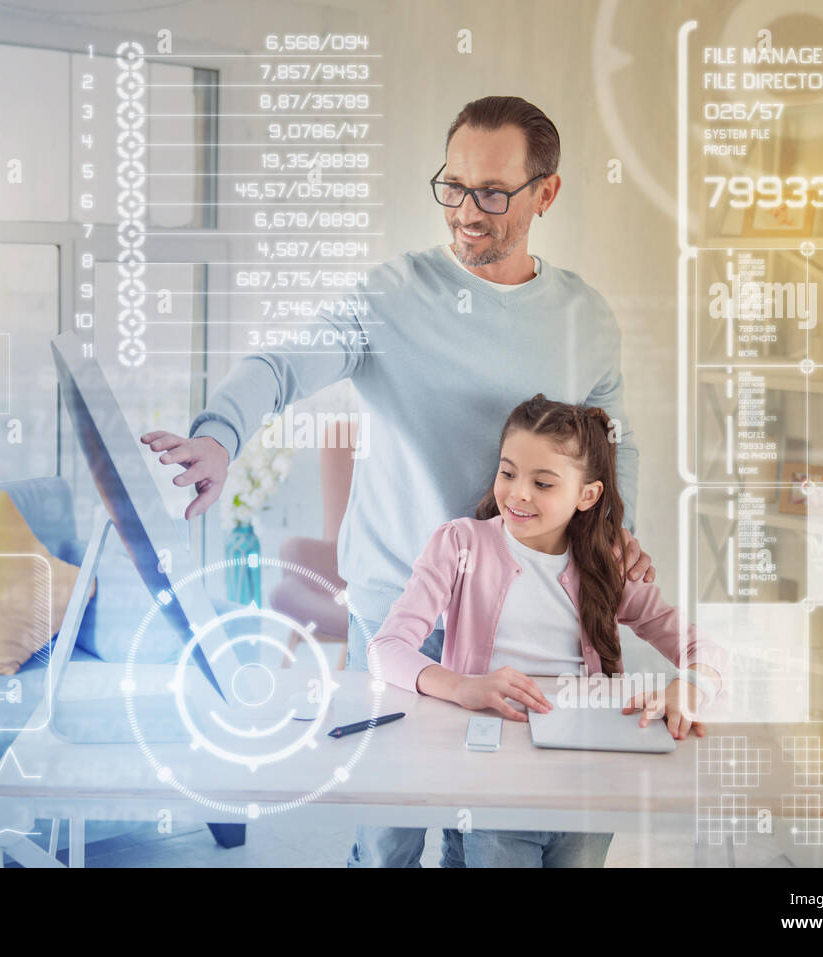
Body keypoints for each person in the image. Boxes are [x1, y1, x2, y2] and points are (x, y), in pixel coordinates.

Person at [142, 95, 654, 867]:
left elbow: (614, 437)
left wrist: (617, 529)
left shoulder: (584, 315)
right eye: (452, 186)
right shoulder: (391, 295)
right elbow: (282, 366)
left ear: (546, 193)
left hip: (527, 624)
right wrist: (219, 435)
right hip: (399, 617)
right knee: (387, 839)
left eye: (492, 192)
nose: (467, 211)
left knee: (500, 836)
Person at [368, 394, 728, 867]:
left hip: (587, 780)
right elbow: (385, 649)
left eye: (542, 483)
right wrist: (463, 686)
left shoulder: (608, 565)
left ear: (587, 495)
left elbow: (704, 649)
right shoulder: (459, 545)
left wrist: (690, 689)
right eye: (508, 472)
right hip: (491, 779)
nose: (518, 493)